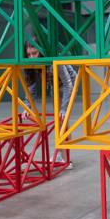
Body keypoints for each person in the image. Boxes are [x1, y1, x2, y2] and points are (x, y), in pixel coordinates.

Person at [23, 40, 76, 169]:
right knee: (59, 121)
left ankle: (66, 159)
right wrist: (27, 107)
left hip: (69, 85)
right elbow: (31, 87)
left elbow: (68, 83)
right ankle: (60, 153)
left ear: (41, 51)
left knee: (62, 121)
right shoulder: (31, 64)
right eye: (29, 54)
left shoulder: (53, 58)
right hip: (55, 86)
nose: (32, 57)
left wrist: (64, 108)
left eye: (34, 53)